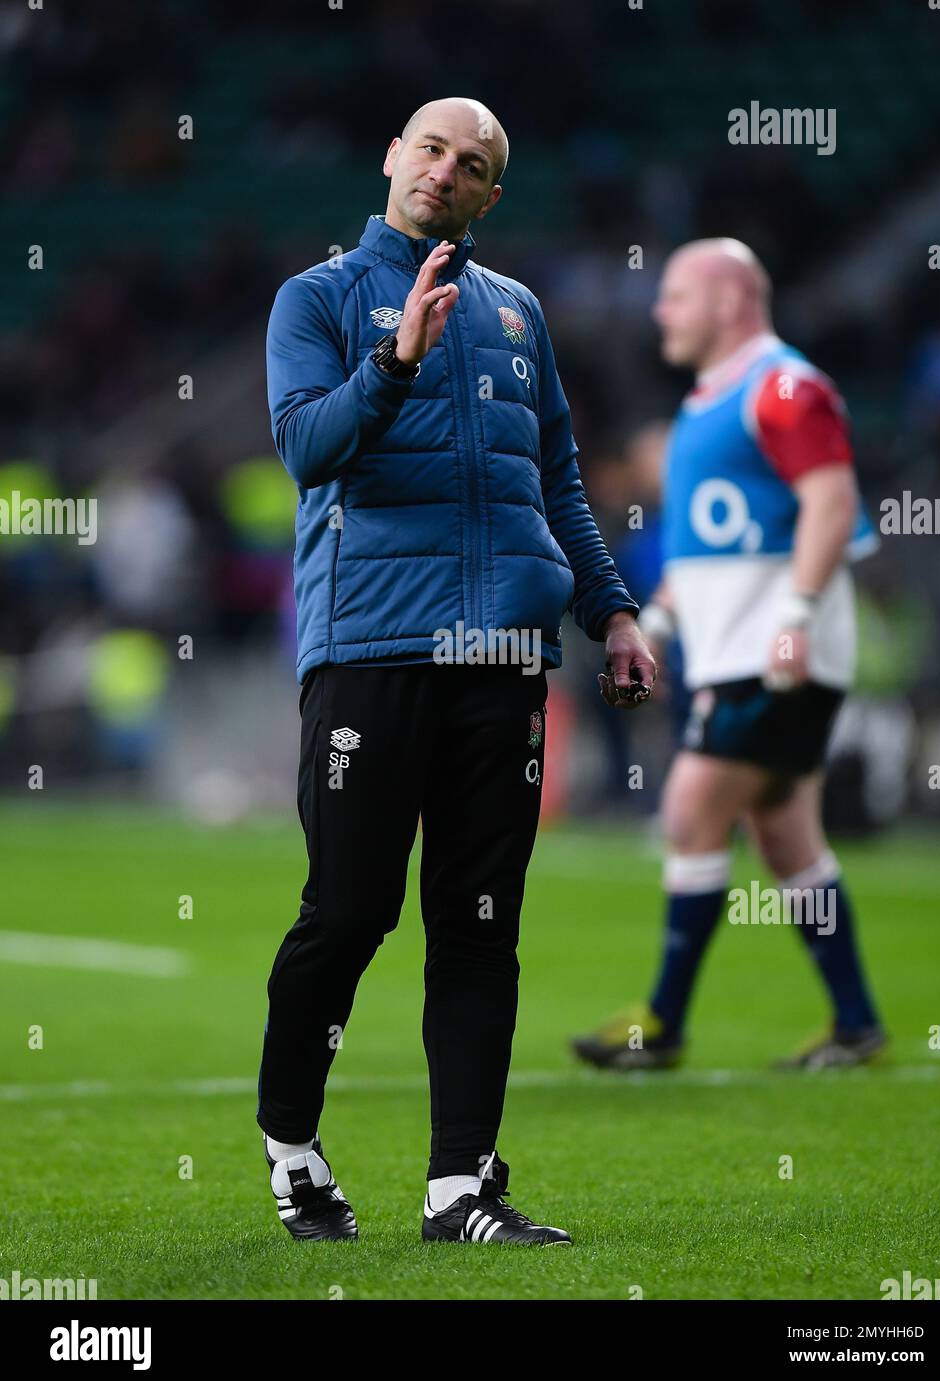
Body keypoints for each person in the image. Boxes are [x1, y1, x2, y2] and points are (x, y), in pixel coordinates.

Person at [257, 97, 655, 1244]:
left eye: (470, 164)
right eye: (429, 149)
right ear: (392, 157)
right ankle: (290, 1144)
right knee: (347, 912)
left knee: (480, 927)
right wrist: (394, 361)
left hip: (501, 662)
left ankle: (459, 1190)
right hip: (373, 648)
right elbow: (305, 447)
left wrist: (611, 611)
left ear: (489, 197)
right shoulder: (319, 298)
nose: (443, 171)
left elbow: (559, 481)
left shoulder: (519, 313)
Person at [572, 238, 887, 1074]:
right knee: (784, 837)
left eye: (675, 296)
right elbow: (700, 553)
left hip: (775, 653)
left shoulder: (783, 386)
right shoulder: (708, 405)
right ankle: (857, 1025)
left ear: (726, 299)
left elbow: (832, 503)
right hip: (736, 651)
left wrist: (793, 613)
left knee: (689, 806)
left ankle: (663, 1025)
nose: (659, 312)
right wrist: (659, 631)